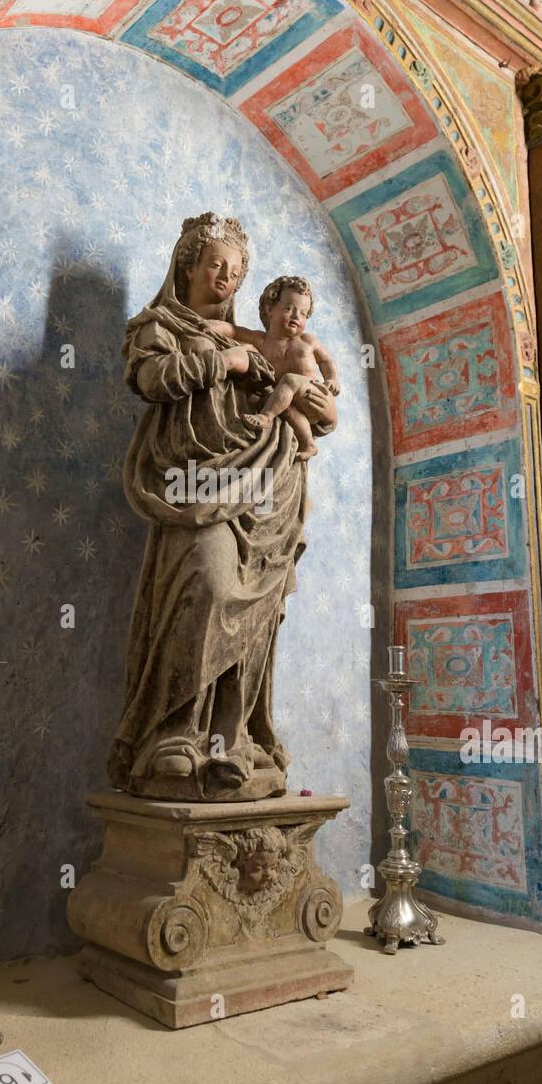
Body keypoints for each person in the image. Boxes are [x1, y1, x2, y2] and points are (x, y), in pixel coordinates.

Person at [107, 212, 337, 802]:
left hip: (269, 484)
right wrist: (224, 362)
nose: (227, 279)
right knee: (204, 588)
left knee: (256, 619)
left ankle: (229, 744)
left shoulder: (265, 343)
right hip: (194, 486)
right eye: (216, 265)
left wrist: (312, 401)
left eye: (236, 271)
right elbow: (152, 380)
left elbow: (318, 407)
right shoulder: (162, 326)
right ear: (187, 266)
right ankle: (171, 736)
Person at [204, 275, 340, 461]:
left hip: (311, 391)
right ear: (270, 309)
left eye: (302, 313)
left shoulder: (308, 341)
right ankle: (308, 442)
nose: (295, 316)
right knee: (279, 401)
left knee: (289, 381)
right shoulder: (261, 341)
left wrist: (332, 379)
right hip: (290, 403)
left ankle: (266, 417)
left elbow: (326, 361)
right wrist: (208, 326)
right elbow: (233, 330)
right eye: (289, 309)